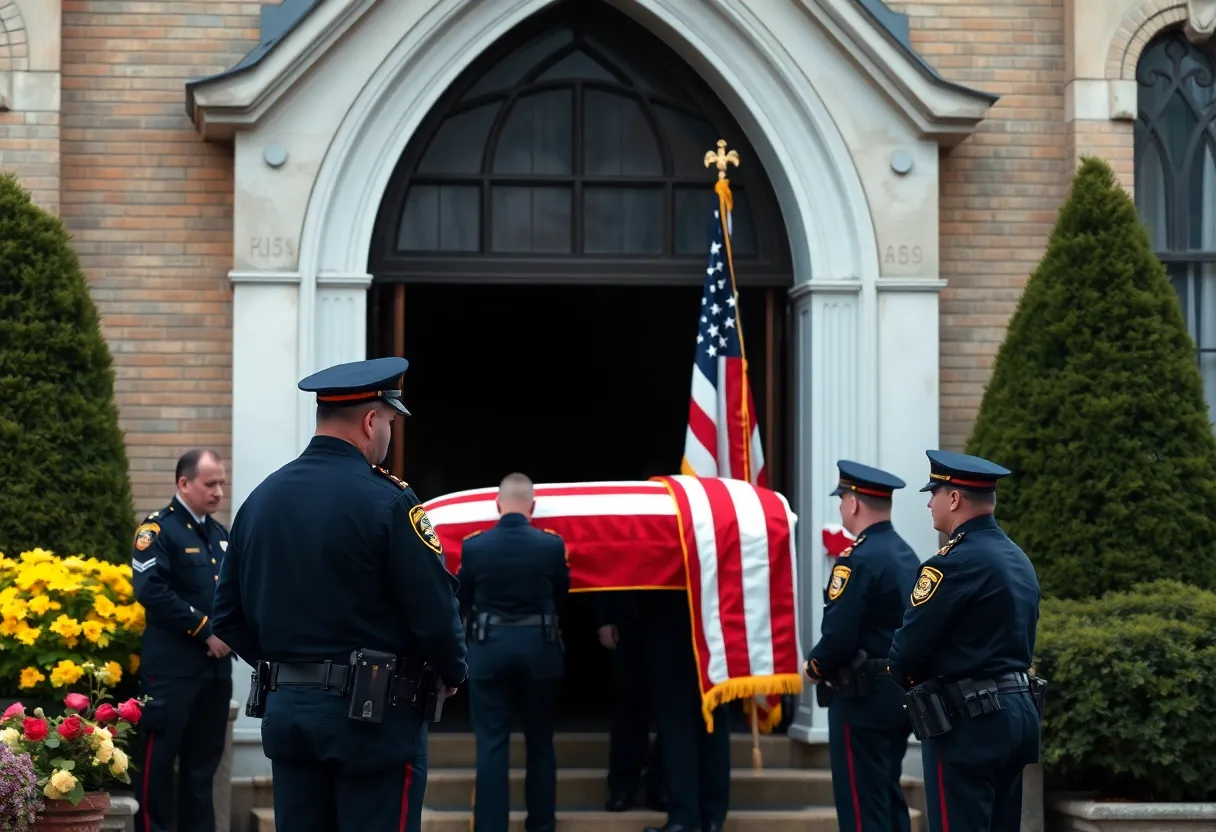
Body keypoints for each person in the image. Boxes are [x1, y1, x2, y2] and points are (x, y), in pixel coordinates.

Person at [211, 356, 468, 832]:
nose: (390, 433)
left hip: (288, 715)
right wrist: (452, 671)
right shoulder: (391, 501)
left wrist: (291, 668)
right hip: (374, 719)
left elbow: (226, 616)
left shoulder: (260, 499)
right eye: (390, 421)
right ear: (372, 420)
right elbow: (433, 611)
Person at [888, 450, 1042, 832]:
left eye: (934, 492)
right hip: (1018, 712)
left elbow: (906, 653)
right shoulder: (1017, 557)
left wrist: (906, 676)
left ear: (954, 498)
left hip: (968, 723)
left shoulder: (950, 563)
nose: (929, 502)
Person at [803, 460, 920, 832]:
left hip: (862, 698)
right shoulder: (906, 555)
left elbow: (838, 638)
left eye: (842, 499)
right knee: (886, 793)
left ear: (853, 503)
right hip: (898, 692)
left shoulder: (857, 560)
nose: (840, 508)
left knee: (860, 804)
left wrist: (813, 668)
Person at [457, 473, 569, 832]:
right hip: (540, 650)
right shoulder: (551, 546)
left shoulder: (474, 547)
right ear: (532, 506)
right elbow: (562, 594)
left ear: (497, 505)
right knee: (540, 744)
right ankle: (541, 825)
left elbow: (464, 600)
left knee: (491, 745)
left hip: (489, 652)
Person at [131, 449, 234, 832]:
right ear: (183, 484)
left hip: (213, 673)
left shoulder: (221, 535)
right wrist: (205, 630)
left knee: (201, 770)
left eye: (221, 483)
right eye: (210, 483)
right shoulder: (157, 529)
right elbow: (150, 590)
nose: (219, 492)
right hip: (172, 672)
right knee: (158, 767)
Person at [641, 590, 731, 832]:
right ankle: (712, 816)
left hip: (673, 623)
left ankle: (685, 817)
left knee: (678, 726)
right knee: (712, 722)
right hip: (714, 623)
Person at [594, 590, 666, 813]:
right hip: (629, 618)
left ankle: (662, 785)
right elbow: (608, 564)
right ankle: (623, 787)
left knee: (673, 711)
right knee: (628, 707)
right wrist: (605, 618)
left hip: (672, 619)